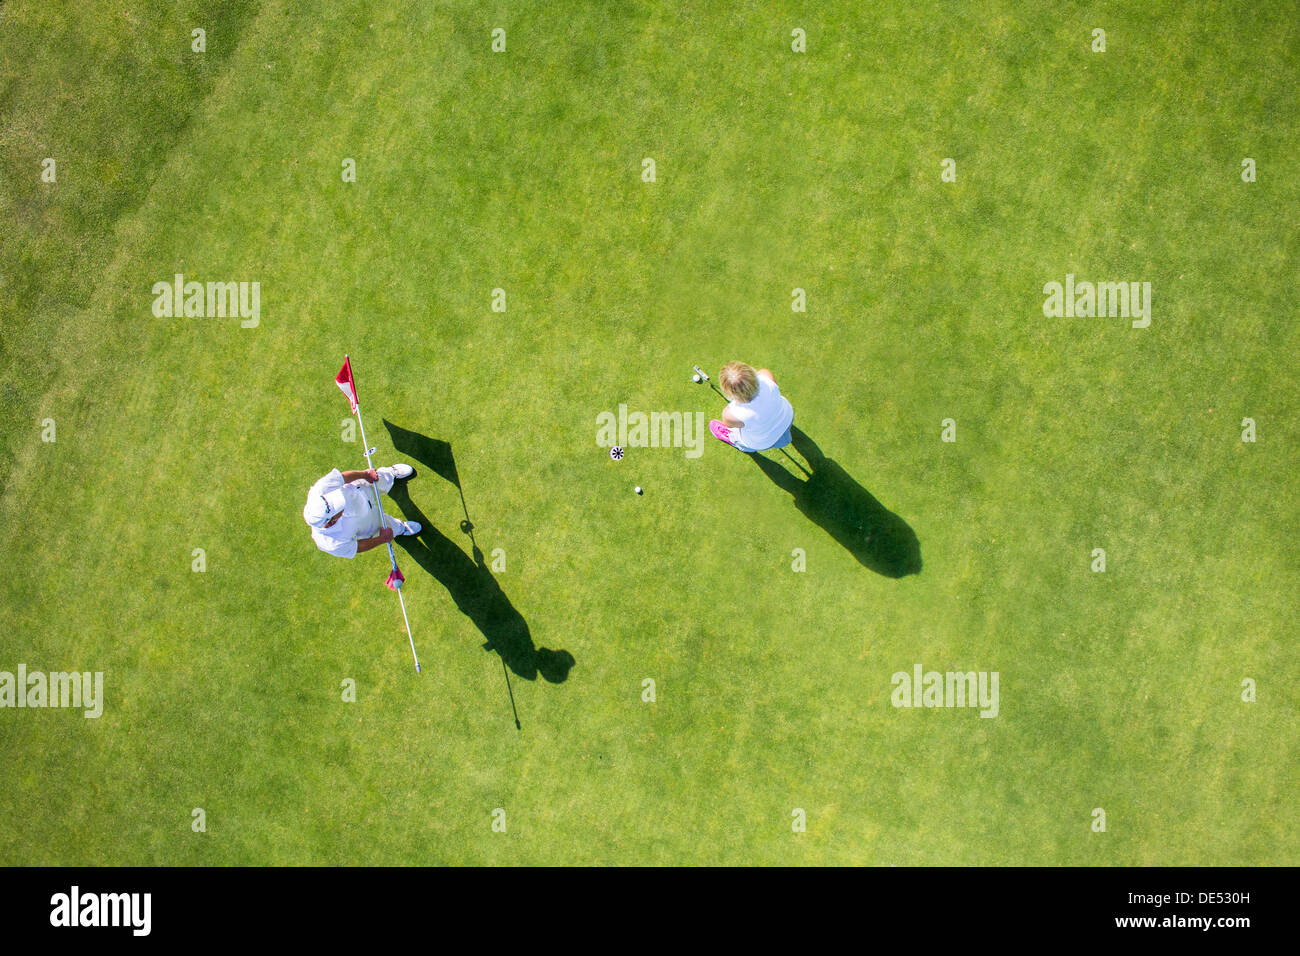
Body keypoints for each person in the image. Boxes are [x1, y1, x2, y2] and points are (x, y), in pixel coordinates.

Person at [303, 464, 421, 558]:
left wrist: (365, 474)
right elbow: (357, 546)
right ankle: (401, 528)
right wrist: (382, 539)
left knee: (380, 478)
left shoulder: (319, 491)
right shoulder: (330, 543)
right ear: (331, 520)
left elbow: (342, 478)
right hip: (370, 524)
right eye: (338, 508)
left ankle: (392, 473)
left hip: (362, 489)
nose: (340, 501)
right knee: (391, 528)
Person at [710, 362, 794, 452]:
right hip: (787, 416)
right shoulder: (766, 375)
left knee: (743, 441)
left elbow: (729, 424)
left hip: (763, 441)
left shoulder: (730, 414)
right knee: (782, 432)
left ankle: (733, 439)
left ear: (729, 392)